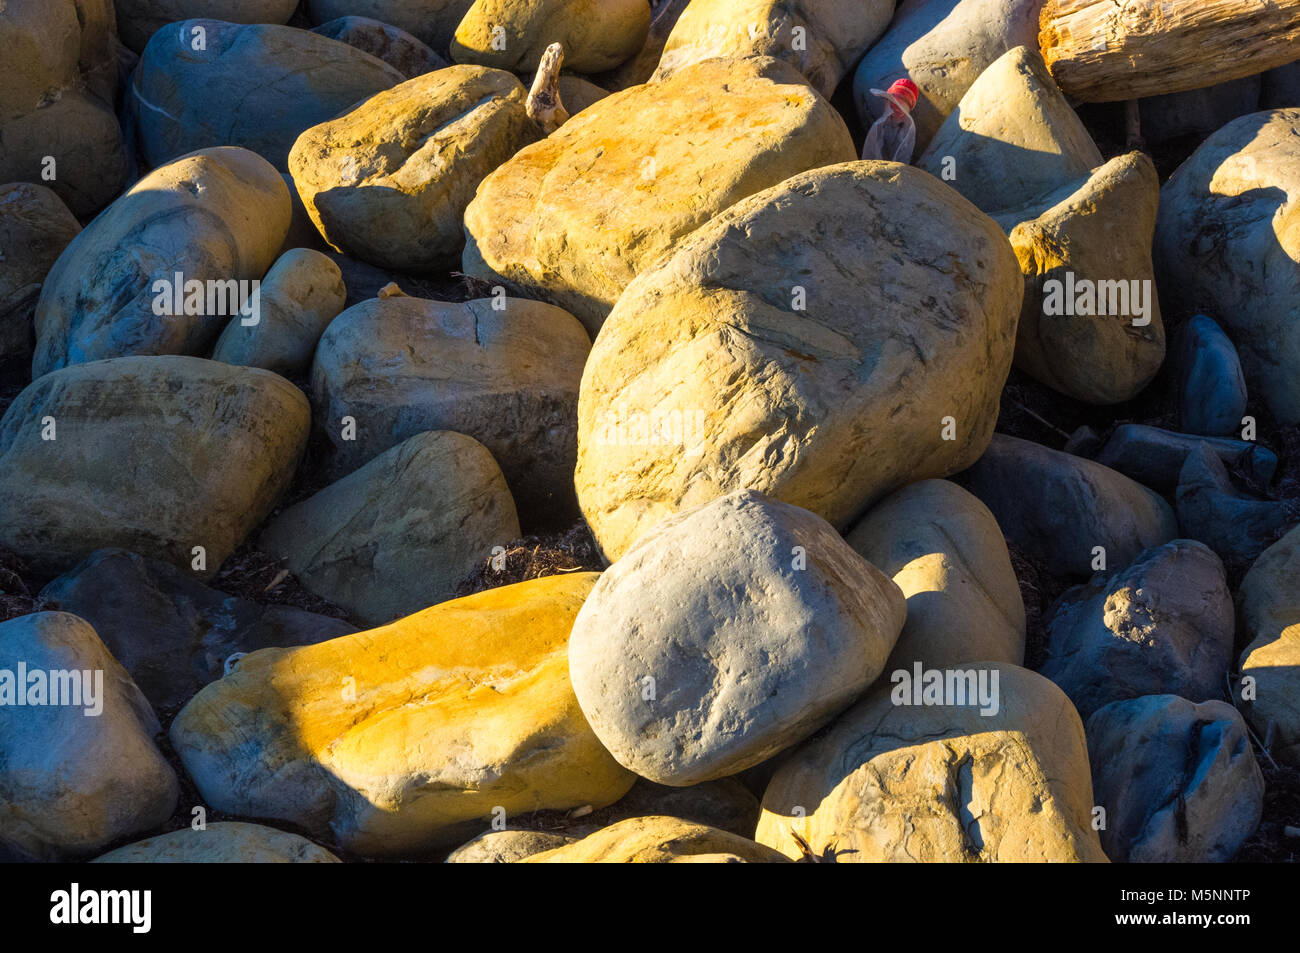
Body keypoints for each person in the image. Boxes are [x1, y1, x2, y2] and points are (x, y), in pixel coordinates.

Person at [861, 77, 920, 164]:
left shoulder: (908, 130)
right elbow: (871, 151)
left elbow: (904, 156)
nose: (897, 108)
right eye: (894, 102)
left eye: (903, 104)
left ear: (909, 108)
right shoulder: (880, 125)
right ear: (888, 101)